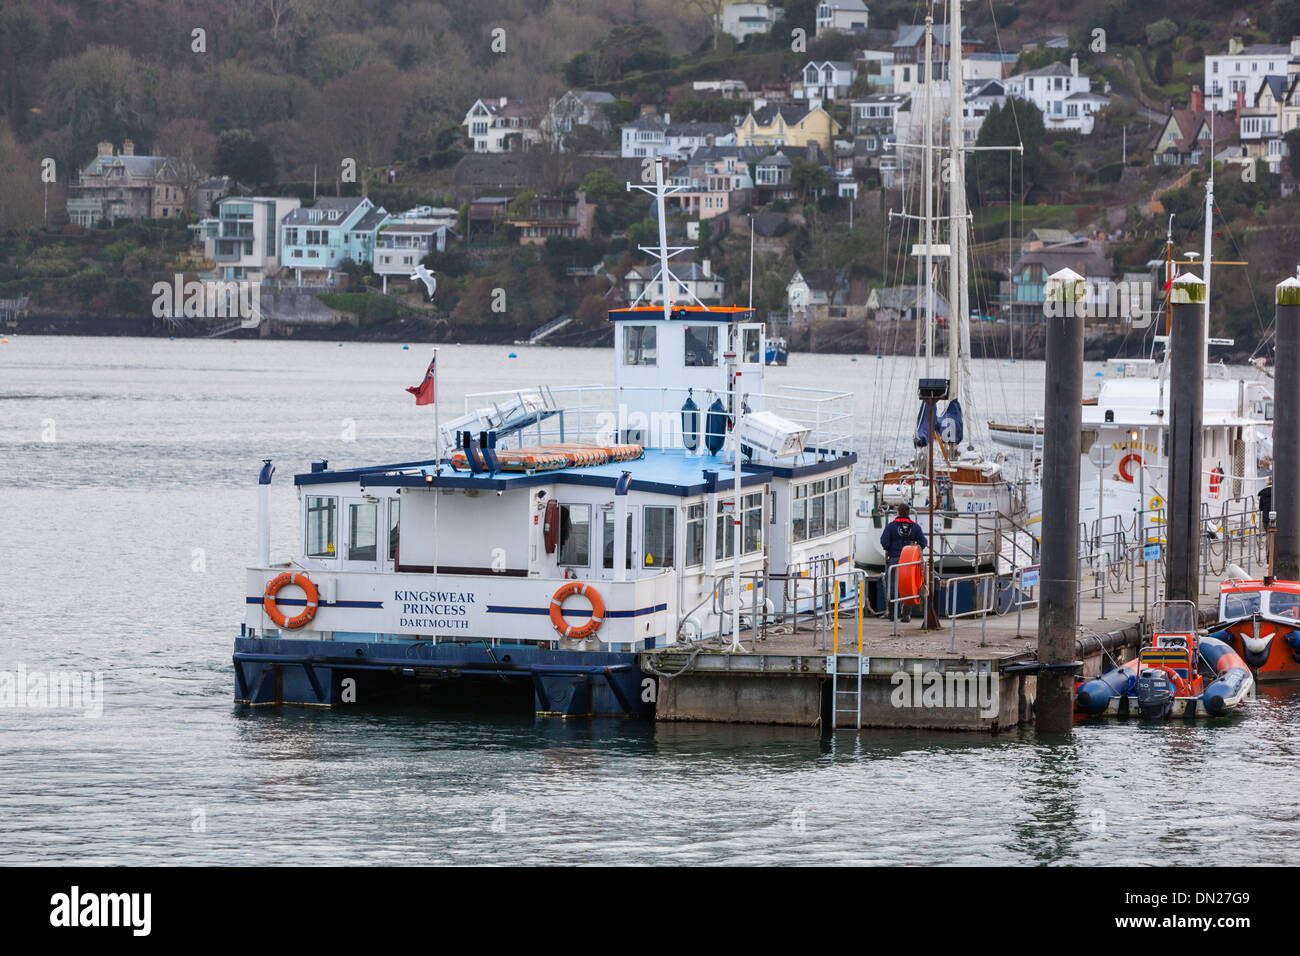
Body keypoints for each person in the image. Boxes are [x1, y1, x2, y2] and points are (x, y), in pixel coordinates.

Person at [880, 503, 927, 623]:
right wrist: (914, 550)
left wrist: (891, 549)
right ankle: (906, 615)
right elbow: (923, 542)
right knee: (908, 587)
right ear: (908, 512)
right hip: (910, 561)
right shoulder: (915, 527)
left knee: (892, 586)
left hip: (895, 558)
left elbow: (884, 541)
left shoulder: (891, 526)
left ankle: (892, 614)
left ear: (898, 512)